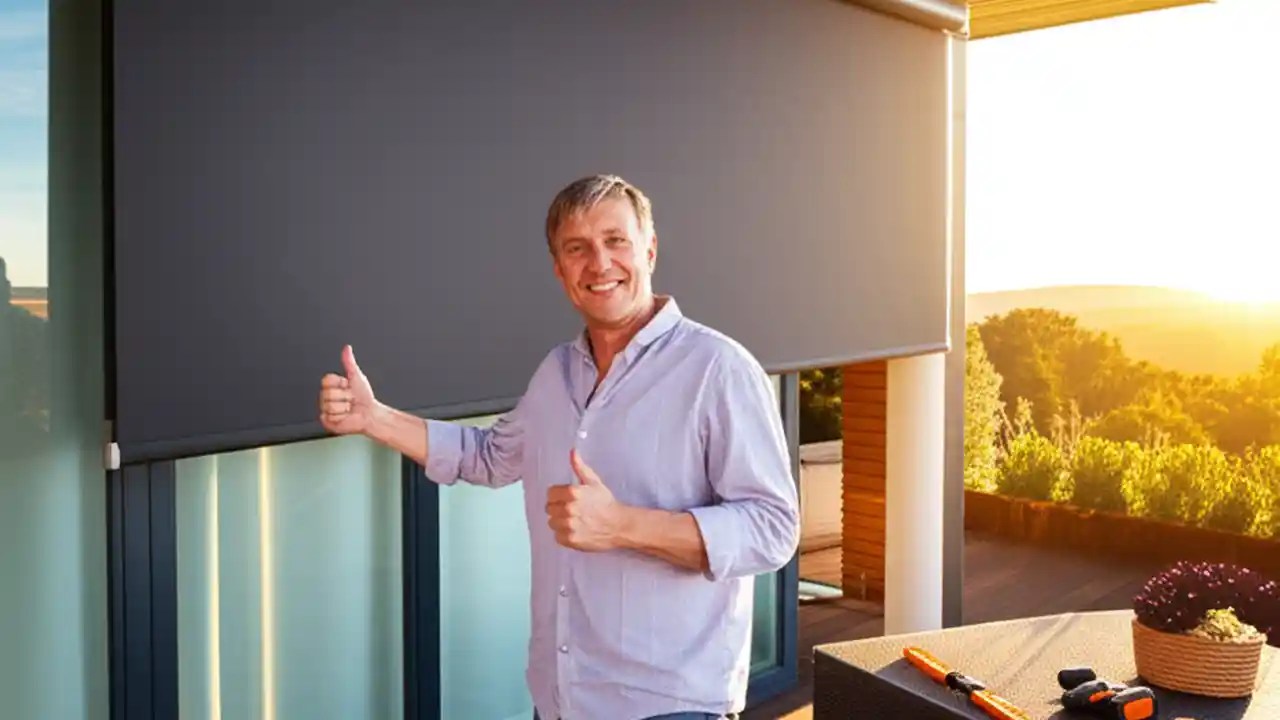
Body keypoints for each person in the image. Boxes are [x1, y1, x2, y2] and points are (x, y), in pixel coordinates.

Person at [318, 175, 799, 720]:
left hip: (668, 706)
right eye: (577, 248)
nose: (599, 263)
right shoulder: (556, 372)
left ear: (649, 249)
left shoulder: (718, 370)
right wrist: (375, 419)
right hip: (560, 701)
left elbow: (772, 529)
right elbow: (488, 456)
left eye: (615, 241)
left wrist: (621, 525)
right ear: (559, 269)